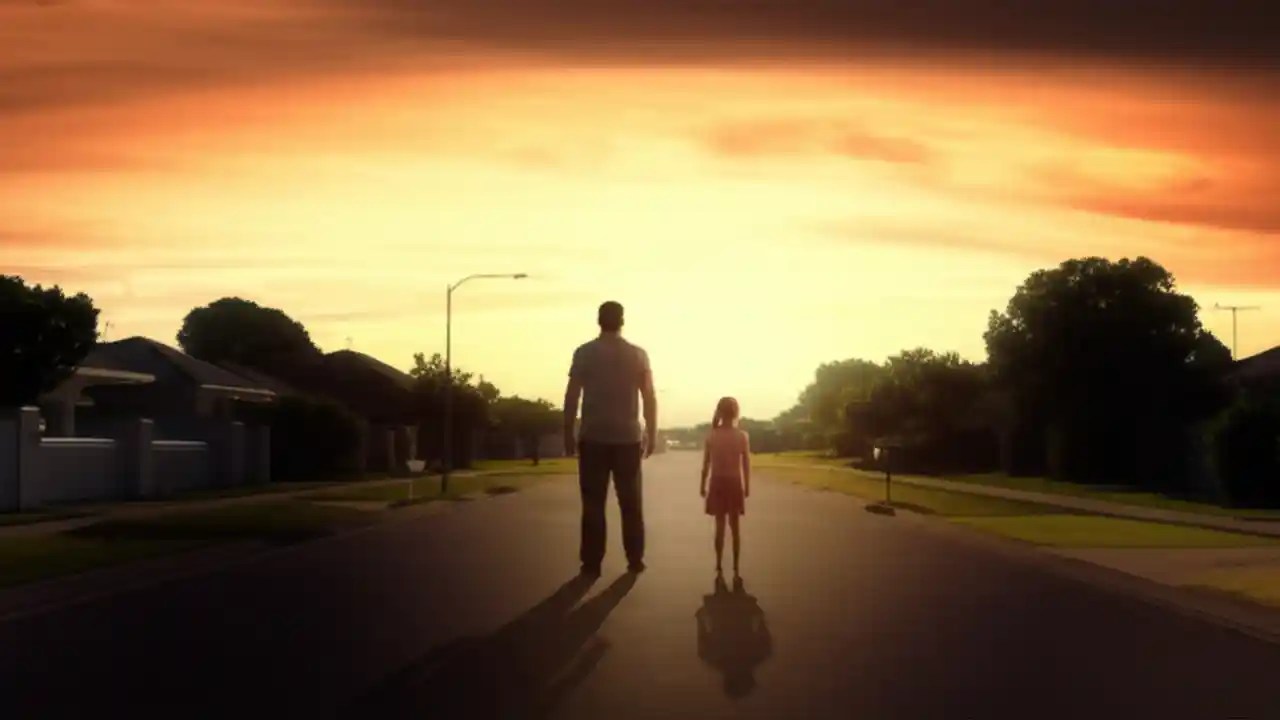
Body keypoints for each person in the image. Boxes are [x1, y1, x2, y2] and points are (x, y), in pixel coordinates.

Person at [564, 301, 658, 577]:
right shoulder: (638, 355)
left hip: (593, 436)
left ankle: (592, 562)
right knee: (631, 503)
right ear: (622, 321)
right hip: (627, 437)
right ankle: (635, 558)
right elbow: (649, 396)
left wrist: (567, 430)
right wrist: (651, 432)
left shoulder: (584, 353)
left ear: (598, 320)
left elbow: (572, 395)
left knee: (593, 503)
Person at [700, 397, 750, 575]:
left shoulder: (712, 435)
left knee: (719, 526)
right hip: (734, 483)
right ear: (736, 413)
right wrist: (747, 486)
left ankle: (719, 563)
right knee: (735, 527)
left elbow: (706, 464)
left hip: (717, 482)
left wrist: (702, 484)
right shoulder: (742, 436)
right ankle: (736, 565)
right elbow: (746, 464)